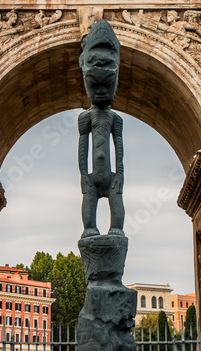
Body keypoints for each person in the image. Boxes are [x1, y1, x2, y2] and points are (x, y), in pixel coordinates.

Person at [78, 20, 125, 238]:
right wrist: (83, 175)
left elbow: (119, 147)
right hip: (93, 176)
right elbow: (82, 146)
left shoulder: (115, 118)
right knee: (89, 205)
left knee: (117, 204)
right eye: (94, 84)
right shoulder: (85, 117)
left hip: (110, 176)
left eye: (108, 83)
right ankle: (90, 229)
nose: (101, 91)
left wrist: (120, 175)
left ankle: (116, 229)